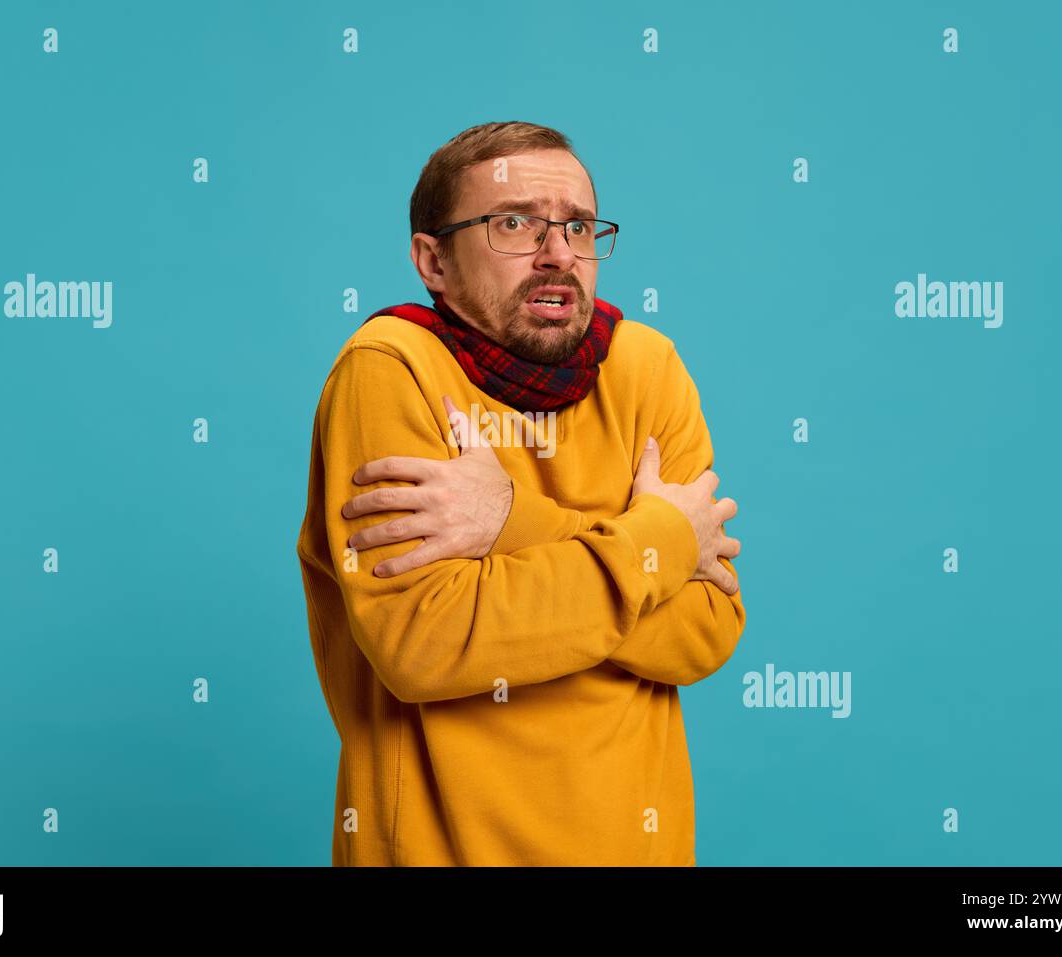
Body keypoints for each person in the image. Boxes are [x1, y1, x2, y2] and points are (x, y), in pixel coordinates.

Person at [296, 121, 746, 865]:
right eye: (514, 224)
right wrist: (659, 541)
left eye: (577, 226)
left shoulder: (646, 368)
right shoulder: (388, 369)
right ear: (432, 260)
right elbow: (423, 645)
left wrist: (508, 518)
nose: (559, 255)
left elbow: (704, 628)